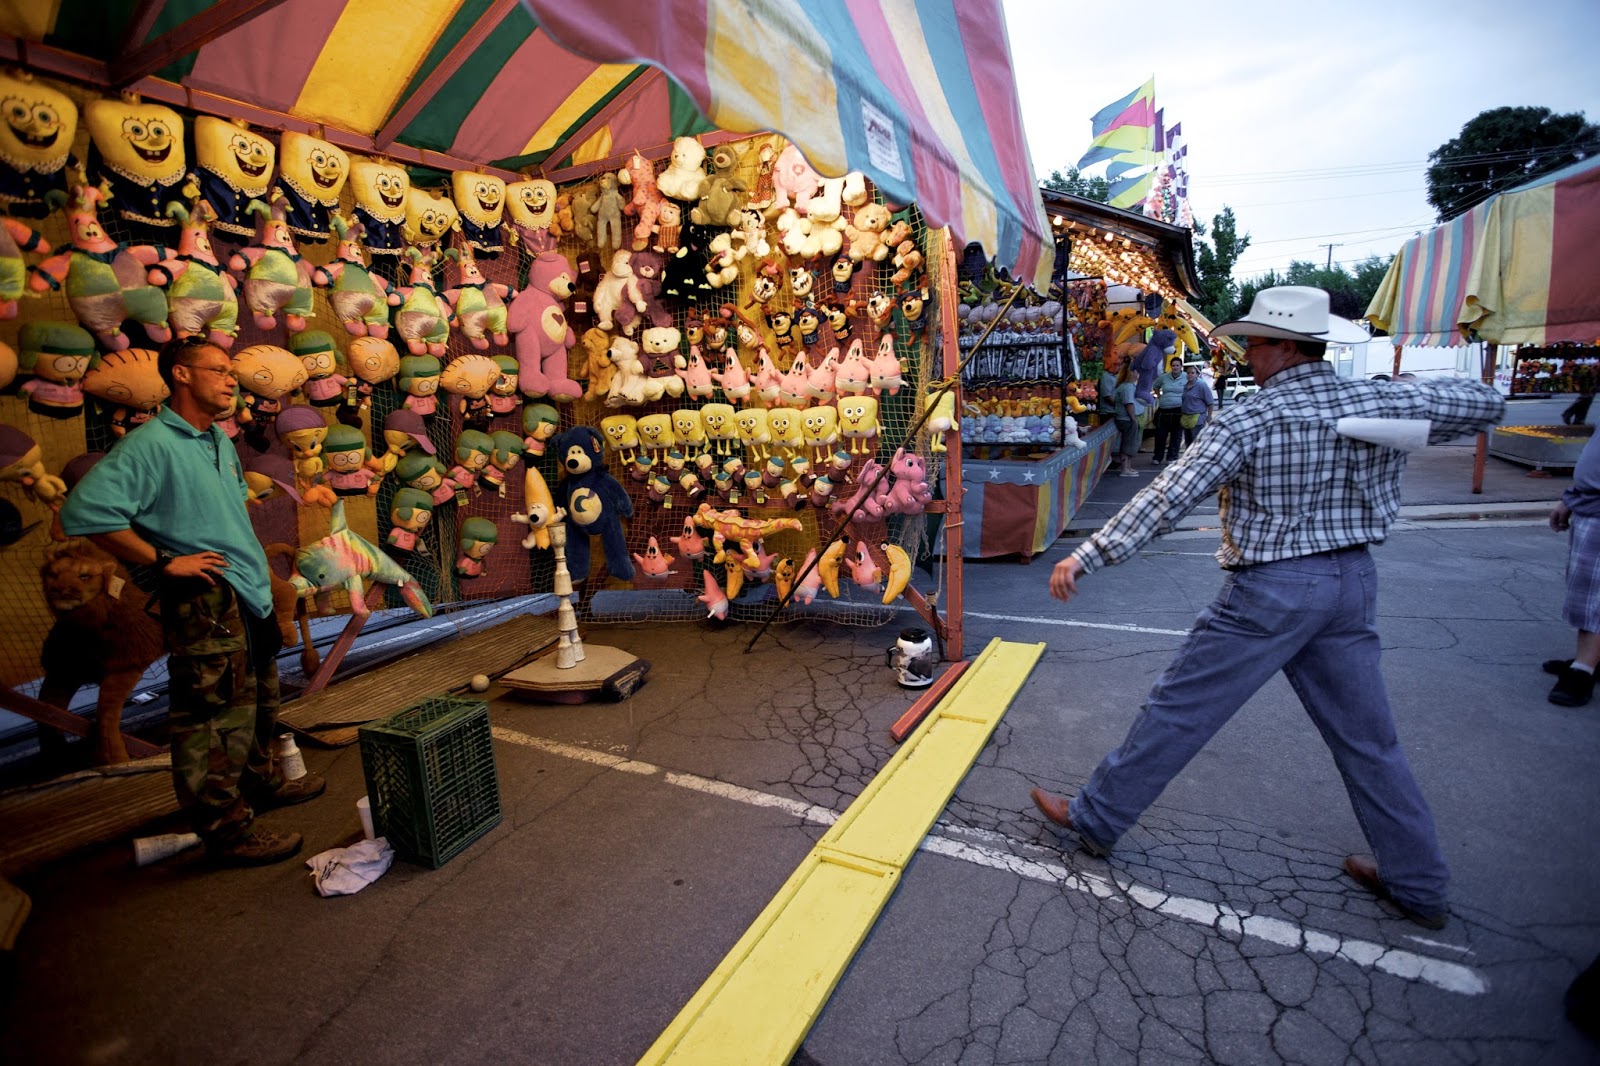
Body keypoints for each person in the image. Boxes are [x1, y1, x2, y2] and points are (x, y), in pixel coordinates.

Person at [1028, 286, 1505, 930]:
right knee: (1370, 741)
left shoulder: (1253, 417)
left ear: (1284, 347)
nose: (1247, 354)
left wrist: (1091, 553)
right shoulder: (1375, 396)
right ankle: (1417, 883)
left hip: (1274, 587)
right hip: (1352, 580)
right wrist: (1405, 402)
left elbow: (1172, 494)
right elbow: (1483, 402)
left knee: (1180, 709)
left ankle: (1097, 819)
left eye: (1255, 342)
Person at [58, 337, 325, 866]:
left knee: (257, 701)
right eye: (219, 370)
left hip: (247, 594)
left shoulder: (216, 441)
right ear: (181, 375)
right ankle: (226, 833)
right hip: (207, 603)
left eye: (232, 371)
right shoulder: (149, 444)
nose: (231, 380)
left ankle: (262, 784)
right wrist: (162, 561)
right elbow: (84, 514)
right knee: (212, 719)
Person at [1544, 424, 1600, 706]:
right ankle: (1589, 658)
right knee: (1585, 589)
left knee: (1591, 595)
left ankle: (1584, 669)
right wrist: (1571, 497)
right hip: (1590, 501)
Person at [1111, 359, 1146, 477]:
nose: (1138, 374)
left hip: (1124, 418)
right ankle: (1125, 468)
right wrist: (1133, 418)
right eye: (1137, 372)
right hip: (1127, 419)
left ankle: (1128, 467)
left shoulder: (1123, 386)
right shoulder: (1127, 387)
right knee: (1128, 443)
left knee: (1129, 443)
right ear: (1131, 373)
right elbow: (1129, 404)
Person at [1150, 357, 1187, 465]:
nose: (1175, 367)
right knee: (1160, 435)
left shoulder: (1186, 377)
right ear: (1171, 366)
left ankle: (1172, 457)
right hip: (1164, 410)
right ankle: (1157, 457)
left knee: (1176, 435)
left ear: (1181, 367)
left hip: (1179, 410)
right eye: (1173, 365)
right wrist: (1159, 396)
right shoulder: (1164, 377)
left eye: (1177, 365)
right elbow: (1156, 386)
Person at [1179, 362, 1218, 448]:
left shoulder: (1201, 385)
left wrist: (1209, 416)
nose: (1190, 375)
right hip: (1186, 417)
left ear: (1197, 375)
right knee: (1188, 443)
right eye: (1188, 373)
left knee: (1196, 443)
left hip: (1198, 418)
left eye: (1192, 373)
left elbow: (1210, 402)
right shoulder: (1185, 386)